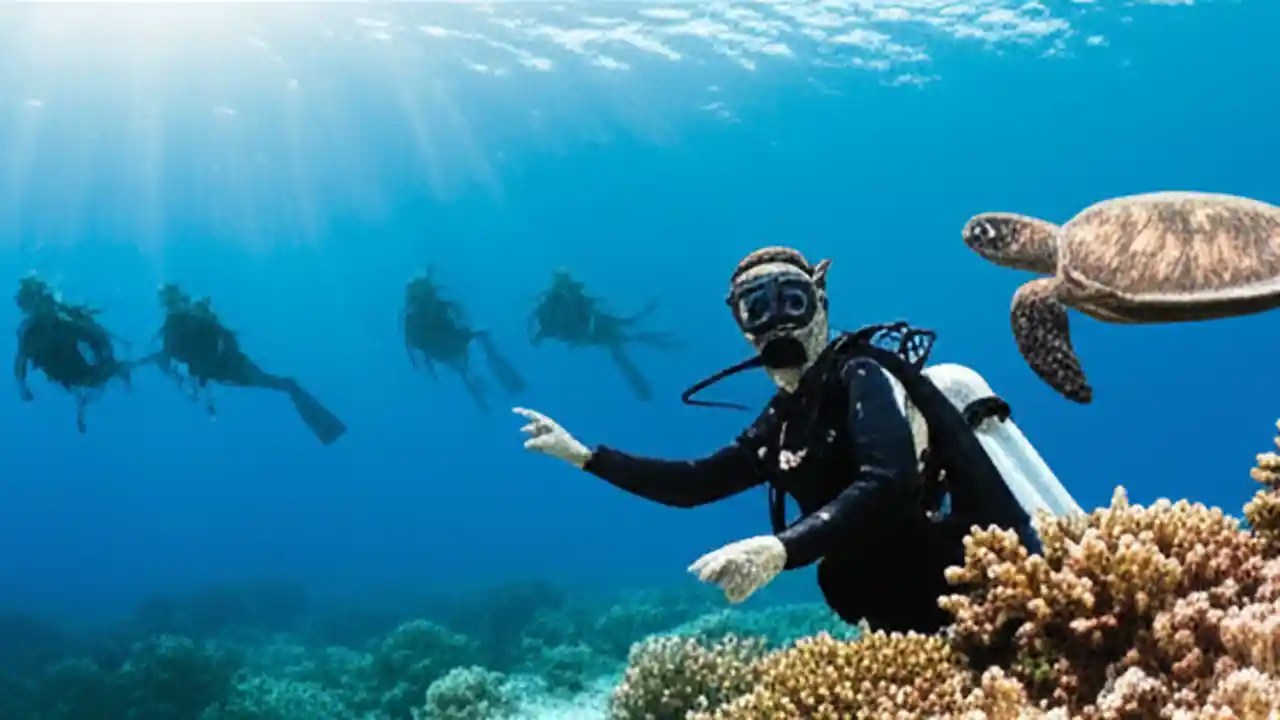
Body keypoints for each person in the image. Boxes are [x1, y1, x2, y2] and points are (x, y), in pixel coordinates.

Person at [514, 247, 1056, 634]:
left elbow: (888, 481)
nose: (777, 322)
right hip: (901, 615)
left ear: (820, 302)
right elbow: (696, 483)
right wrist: (586, 457)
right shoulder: (781, 422)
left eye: (792, 301)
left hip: (988, 591)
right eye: (756, 307)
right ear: (741, 324)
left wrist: (780, 548)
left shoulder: (861, 375)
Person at [146, 283, 347, 445]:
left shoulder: (193, 319)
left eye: (178, 300)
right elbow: (181, 355)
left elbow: (218, 343)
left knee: (285, 385)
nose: (176, 305)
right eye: (172, 301)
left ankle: (326, 428)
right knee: (284, 384)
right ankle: (326, 428)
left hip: (228, 368)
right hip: (224, 369)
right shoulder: (180, 325)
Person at [528, 269, 682, 401]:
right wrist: (538, 336)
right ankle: (660, 344)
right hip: (584, 333)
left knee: (625, 337)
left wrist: (540, 337)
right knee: (625, 337)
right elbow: (543, 323)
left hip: (596, 330)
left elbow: (590, 317)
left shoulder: (574, 298)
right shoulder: (551, 303)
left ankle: (660, 344)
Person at [13, 274, 134, 433]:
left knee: (96, 379)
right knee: (90, 382)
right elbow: (21, 362)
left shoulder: (66, 323)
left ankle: (120, 380)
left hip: (80, 372)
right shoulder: (29, 333)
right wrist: (23, 387)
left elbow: (98, 337)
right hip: (66, 375)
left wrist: (106, 361)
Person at [402, 270, 526, 412]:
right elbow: (413, 344)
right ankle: (489, 397)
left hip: (445, 348)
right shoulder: (424, 313)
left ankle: (487, 399)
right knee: (470, 360)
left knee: (466, 369)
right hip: (446, 347)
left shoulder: (422, 313)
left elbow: (412, 345)